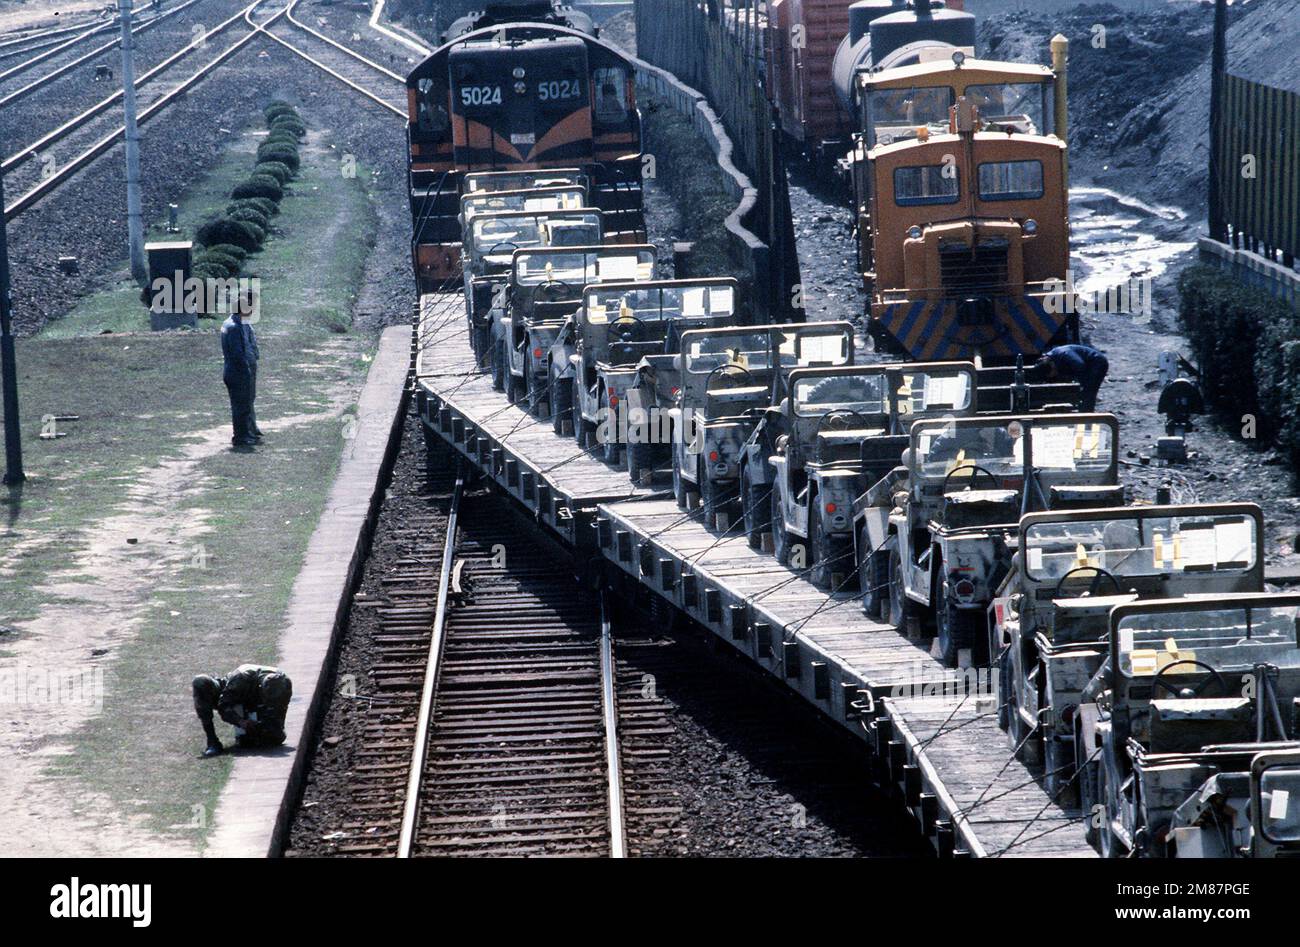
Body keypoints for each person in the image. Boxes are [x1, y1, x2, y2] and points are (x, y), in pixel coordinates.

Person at [192, 665, 292, 758]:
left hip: (259, 699)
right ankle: (213, 742)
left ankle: (253, 734)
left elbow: (281, 711)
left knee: (275, 736)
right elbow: (223, 706)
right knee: (201, 692)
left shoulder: (285, 684)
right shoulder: (241, 679)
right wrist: (241, 722)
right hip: (238, 695)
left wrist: (272, 724)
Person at [220, 294, 263, 447]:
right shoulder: (234, 327)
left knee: (243, 404)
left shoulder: (235, 323)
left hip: (237, 371)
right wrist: (246, 371)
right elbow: (238, 354)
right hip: (237, 372)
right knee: (241, 407)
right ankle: (241, 437)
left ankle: (248, 433)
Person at [1032, 343, 1109, 412]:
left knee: (1088, 392)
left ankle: (1086, 416)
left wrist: (1080, 385)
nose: (1055, 373)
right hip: (1085, 365)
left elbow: (1080, 365)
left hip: (1097, 363)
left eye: (1054, 372)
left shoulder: (1065, 354)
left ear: (1052, 365)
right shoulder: (1047, 359)